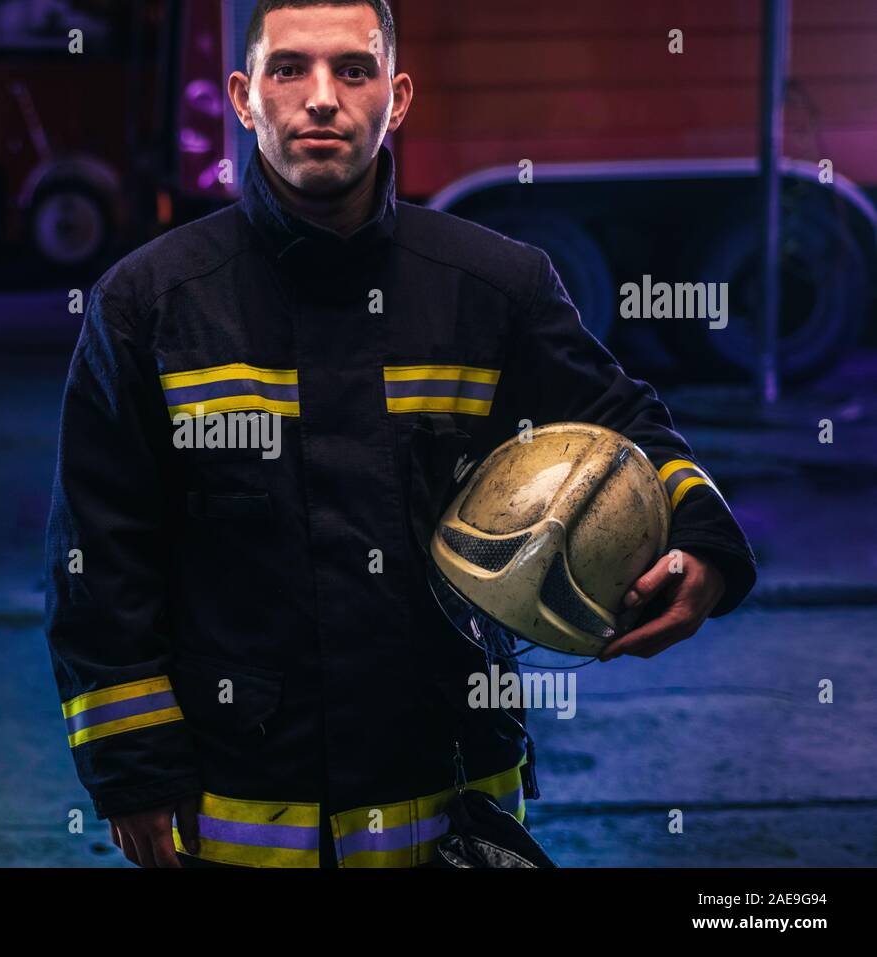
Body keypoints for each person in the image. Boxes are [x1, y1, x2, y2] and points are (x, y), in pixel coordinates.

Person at [43, 0, 756, 868]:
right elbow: (99, 556)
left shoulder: (495, 286)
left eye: (353, 69)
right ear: (241, 96)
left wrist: (705, 545)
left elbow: (628, 427)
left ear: (399, 94)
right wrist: (131, 767)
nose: (320, 98)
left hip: (448, 808)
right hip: (241, 819)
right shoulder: (148, 306)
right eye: (288, 69)